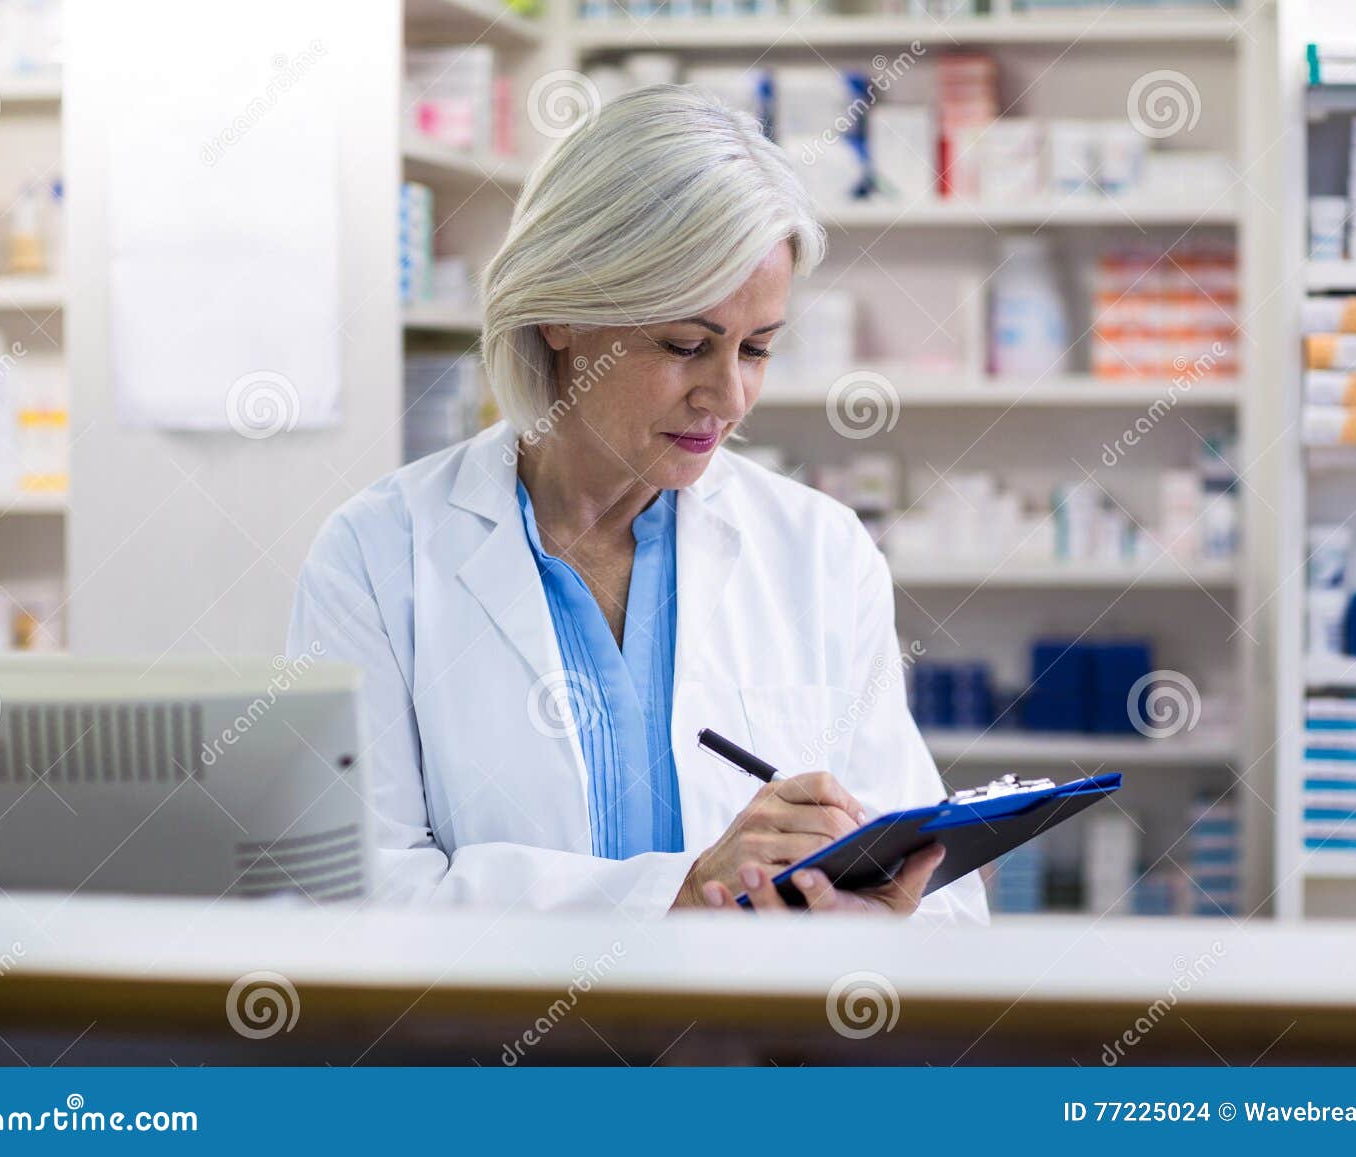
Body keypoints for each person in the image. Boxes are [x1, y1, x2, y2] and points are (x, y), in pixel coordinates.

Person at [288, 85, 988, 922]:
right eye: (685, 345)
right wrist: (674, 897)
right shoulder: (378, 553)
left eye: (757, 348)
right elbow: (354, 893)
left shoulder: (819, 550)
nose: (727, 397)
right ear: (559, 313)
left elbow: (940, 892)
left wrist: (878, 916)